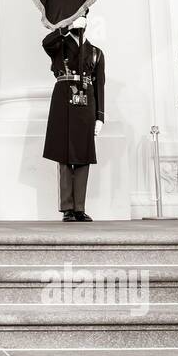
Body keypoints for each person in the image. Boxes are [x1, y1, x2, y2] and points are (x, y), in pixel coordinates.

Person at [41, 14, 105, 222]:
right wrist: (66, 27)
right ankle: (67, 207)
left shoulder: (96, 52)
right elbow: (46, 43)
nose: (80, 22)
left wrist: (100, 117)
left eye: (81, 17)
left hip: (86, 104)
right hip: (64, 103)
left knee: (84, 156)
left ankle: (80, 208)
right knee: (65, 155)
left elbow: (99, 87)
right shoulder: (60, 44)